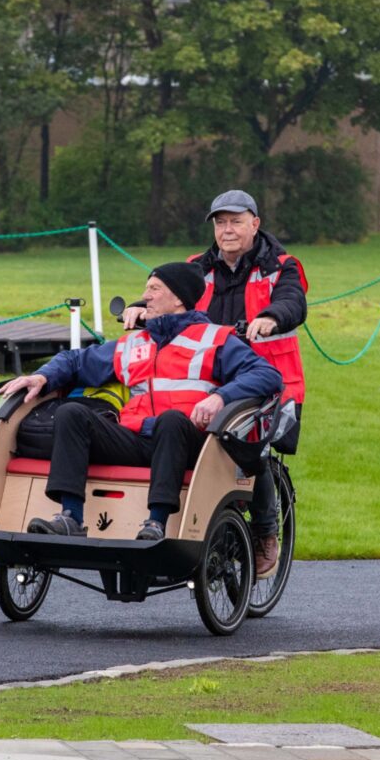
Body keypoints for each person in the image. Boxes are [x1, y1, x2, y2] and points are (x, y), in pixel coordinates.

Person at [1, 262, 283, 542]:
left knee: (171, 420)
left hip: (189, 441)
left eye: (154, 289)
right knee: (72, 413)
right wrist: (42, 377)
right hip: (134, 438)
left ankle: (156, 523)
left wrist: (221, 397)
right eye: (146, 288)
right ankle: (70, 518)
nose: (145, 295)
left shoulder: (215, 339)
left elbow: (267, 375)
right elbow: (76, 361)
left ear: (178, 299)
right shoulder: (135, 342)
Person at [122, 189, 307, 577]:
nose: (227, 230)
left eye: (236, 221)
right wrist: (140, 307)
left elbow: (293, 301)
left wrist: (271, 317)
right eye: (220, 222)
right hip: (206, 379)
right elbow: (165, 294)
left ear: (255, 224)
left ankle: (265, 531)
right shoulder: (196, 267)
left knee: (250, 452)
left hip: (265, 383)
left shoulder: (282, 267)